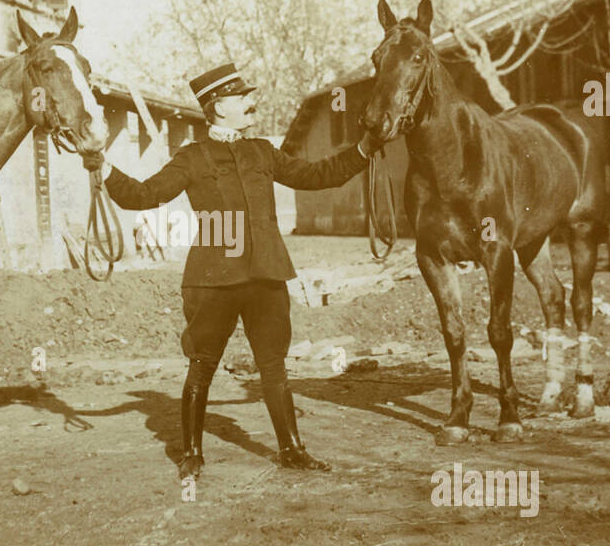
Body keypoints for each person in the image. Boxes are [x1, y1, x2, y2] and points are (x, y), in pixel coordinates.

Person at [81, 62, 392, 479]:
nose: (252, 102)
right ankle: (192, 454)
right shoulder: (191, 158)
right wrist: (101, 166)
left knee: (274, 366)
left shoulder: (262, 151)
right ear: (216, 106)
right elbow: (144, 194)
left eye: (249, 96)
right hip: (214, 281)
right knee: (203, 365)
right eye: (241, 97)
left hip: (266, 276)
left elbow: (319, 175)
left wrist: (365, 148)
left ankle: (292, 450)